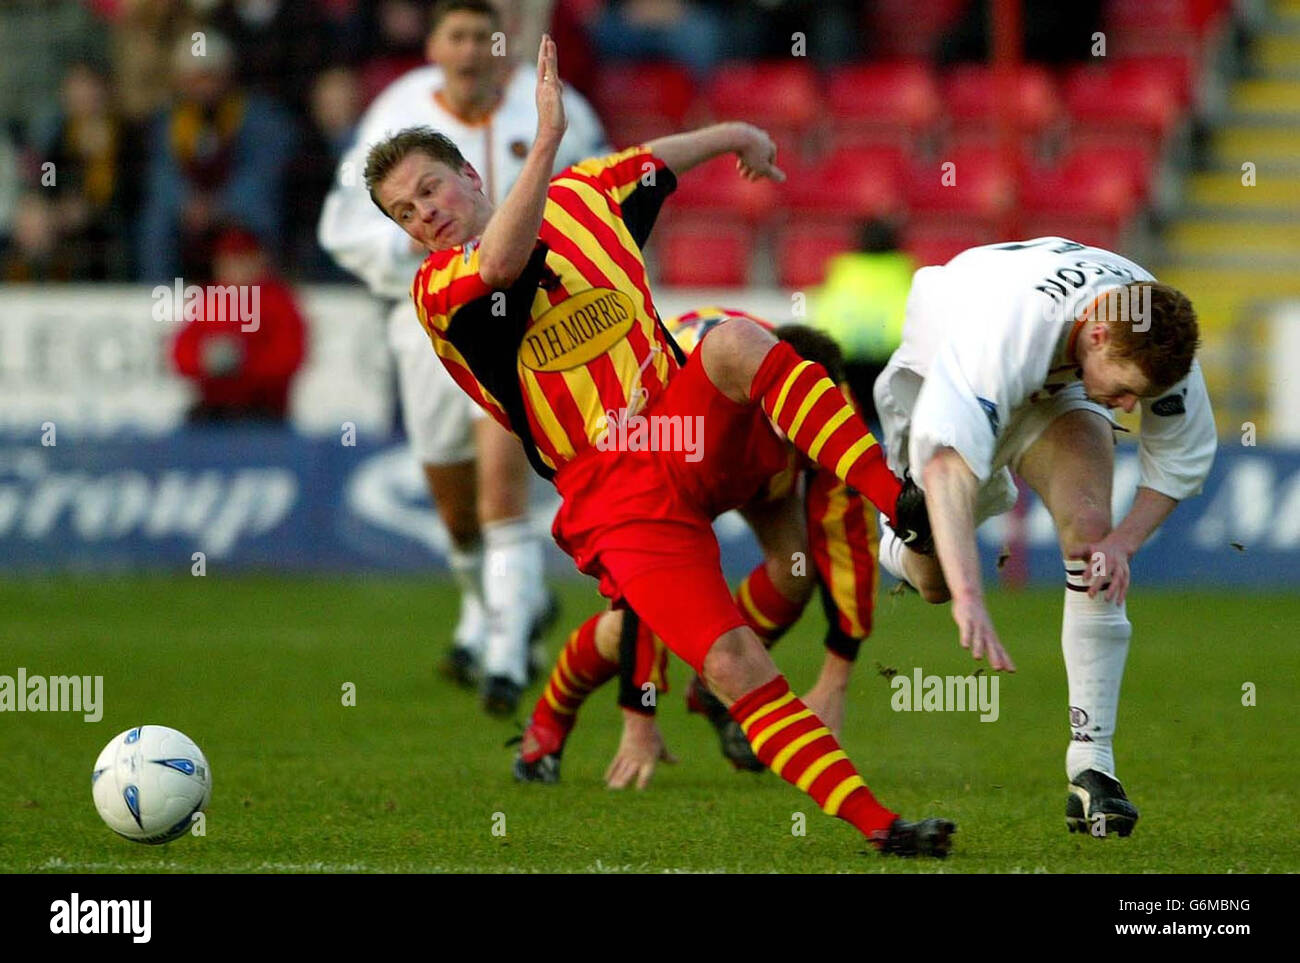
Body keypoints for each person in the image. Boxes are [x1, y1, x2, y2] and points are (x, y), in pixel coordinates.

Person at [364, 36, 949, 857]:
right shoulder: (440, 290)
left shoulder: (582, 196)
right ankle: (884, 829)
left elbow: (652, 162)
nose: (424, 212)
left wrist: (737, 134)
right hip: (612, 493)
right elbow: (502, 262)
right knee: (733, 664)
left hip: (683, 427)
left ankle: (906, 508)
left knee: (739, 344)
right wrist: (551, 136)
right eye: (405, 211)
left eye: (429, 188)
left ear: (470, 174)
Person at [318, 0, 607, 715]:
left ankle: (507, 656)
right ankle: (486, 609)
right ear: (436, 45)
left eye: (483, 36)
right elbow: (342, 225)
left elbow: (598, 201)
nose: (471, 50)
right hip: (427, 323)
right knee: (455, 508)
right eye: (457, 36)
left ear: (501, 42)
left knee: (501, 491)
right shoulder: (398, 110)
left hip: (525, 325)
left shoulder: (557, 110)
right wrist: (414, 246)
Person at [872, 236, 1215, 837]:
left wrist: (1121, 545)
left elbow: (1181, 462)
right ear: (1100, 337)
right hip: (939, 371)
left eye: (1140, 397)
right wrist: (973, 594)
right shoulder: (1008, 328)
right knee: (933, 584)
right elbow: (948, 466)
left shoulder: (1152, 330)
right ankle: (893, 538)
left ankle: (1092, 768)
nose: (1131, 406)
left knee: (1089, 530)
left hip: (1061, 386)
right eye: (1128, 390)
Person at [512, 309, 883, 791]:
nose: (799, 456)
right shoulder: (684, 411)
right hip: (664, 465)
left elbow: (846, 529)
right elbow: (639, 582)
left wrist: (836, 677)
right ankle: (549, 721)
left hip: (738, 456)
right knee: (629, 621)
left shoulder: (824, 402)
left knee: (796, 568)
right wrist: (638, 717)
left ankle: (717, 686)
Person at [170, 227, 307, 423]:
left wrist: (245, 362)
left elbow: (289, 356)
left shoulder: (278, 301)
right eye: (227, 260)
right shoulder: (212, 300)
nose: (234, 268)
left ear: (258, 261)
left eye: (241, 259)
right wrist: (204, 359)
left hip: (263, 413)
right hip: (214, 412)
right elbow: (181, 352)